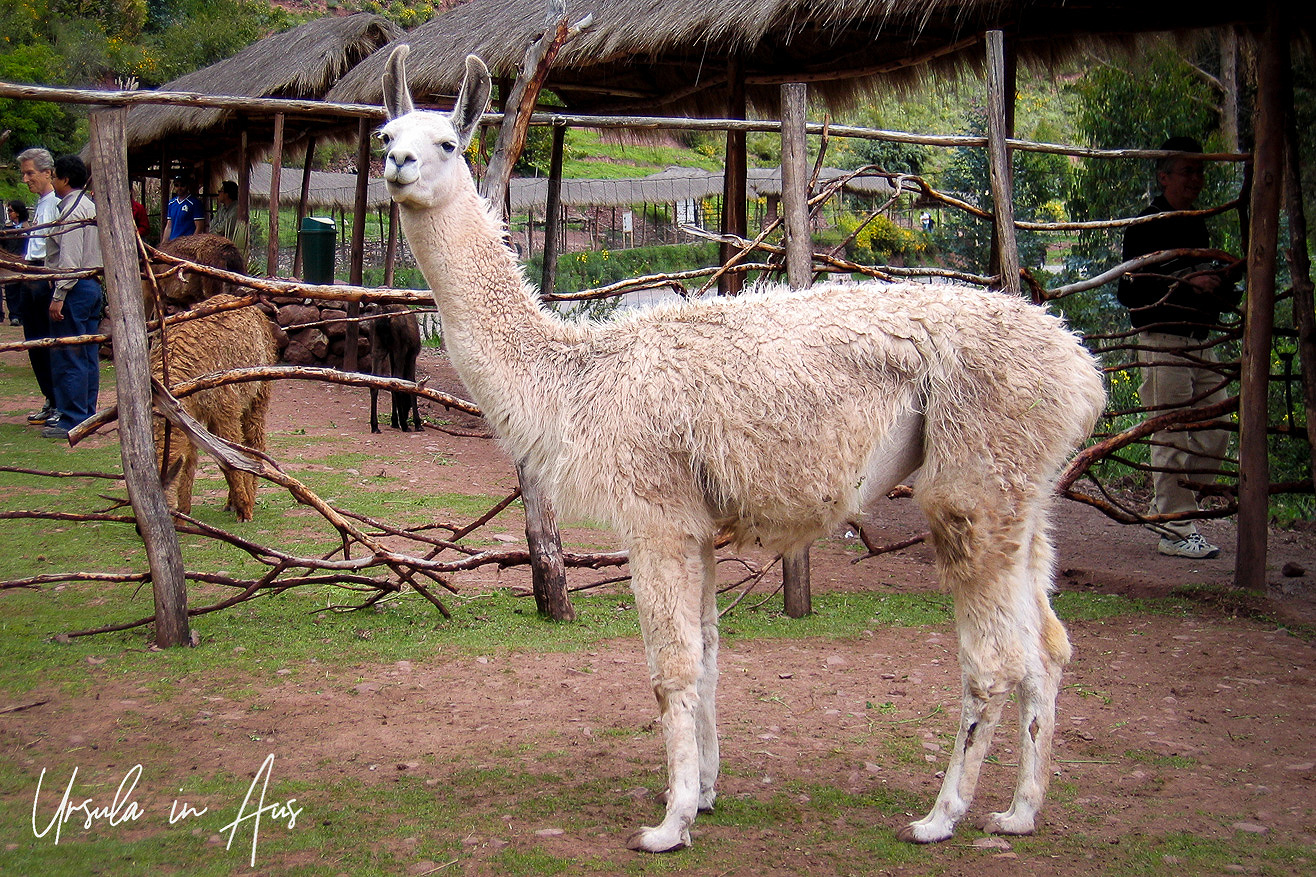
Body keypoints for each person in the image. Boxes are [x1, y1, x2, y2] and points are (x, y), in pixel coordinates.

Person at [1118, 136, 1243, 560]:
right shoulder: (1145, 225)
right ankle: (1174, 530)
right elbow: (1129, 290)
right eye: (1187, 170)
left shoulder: (1197, 220)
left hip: (1201, 340)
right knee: (1169, 433)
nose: (1196, 178)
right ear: (1164, 175)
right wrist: (1184, 282)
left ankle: (1168, 508)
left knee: (1216, 430)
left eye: (1200, 171)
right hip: (1164, 341)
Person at [40, 155, 103, 439]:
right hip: (91, 286)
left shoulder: (72, 212)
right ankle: (86, 413)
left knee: (70, 353)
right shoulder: (88, 206)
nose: (52, 181)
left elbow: (70, 259)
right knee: (87, 353)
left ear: (64, 179)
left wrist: (59, 294)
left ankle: (73, 418)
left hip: (75, 288)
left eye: (54, 176)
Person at [16, 147, 59, 427]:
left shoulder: (56, 203)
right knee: (34, 342)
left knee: (48, 342)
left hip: (44, 276)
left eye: (30, 173)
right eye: (24, 174)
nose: (26, 179)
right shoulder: (41, 204)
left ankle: (59, 399)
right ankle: (49, 398)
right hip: (30, 277)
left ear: (47, 172)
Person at [2, 200, 28, 325]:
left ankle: (23, 314)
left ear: (18, 212)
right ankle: (14, 316)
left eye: (11, 210)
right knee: (11, 290)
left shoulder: (28, 228)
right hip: (10, 263)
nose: (9, 213)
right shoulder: (6, 229)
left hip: (25, 262)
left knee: (24, 289)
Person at [161, 175, 205, 242]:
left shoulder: (194, 203)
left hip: (186, 244)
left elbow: (199, 226)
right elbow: (169, 225)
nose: (179, 188)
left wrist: (192, 244)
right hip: (173, 243)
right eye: (176, 185)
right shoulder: (171, 203)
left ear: (187, 186)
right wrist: (164, 243)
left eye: (182, 185)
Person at [209, 180, 248, 253]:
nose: (218, 194)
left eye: (220, 191)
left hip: (231, 250)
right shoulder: (222, 209)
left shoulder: (236, 209)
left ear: (226, 194)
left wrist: (214, 232)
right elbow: (212, 224)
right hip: (220, 247)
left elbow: (225, 227)